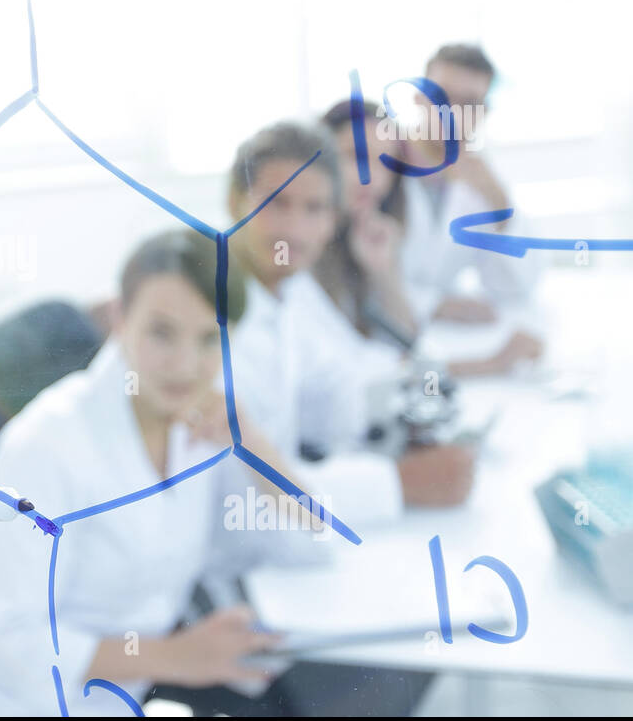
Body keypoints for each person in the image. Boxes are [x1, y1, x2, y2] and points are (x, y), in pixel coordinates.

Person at [0, 229, 328, 717]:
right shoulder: (44, 445)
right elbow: (14, 639)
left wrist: (252, 440)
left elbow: (308, 540)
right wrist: (178, 657)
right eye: (162, 333)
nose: (185, 365)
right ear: (119, 319)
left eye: (210, 338)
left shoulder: (204, 427)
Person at [226, 120, 479, 512]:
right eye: (276, 203)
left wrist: (414, 424)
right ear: (233, 202)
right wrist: (399, 485)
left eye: (314, 209)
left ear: (333, 219)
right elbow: (238, 494)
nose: (294, 229)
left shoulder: (282, 294)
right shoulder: (206, 311)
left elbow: (335, 392)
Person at [318, 98, 544, 377]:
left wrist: (384, 273)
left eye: (384, 162)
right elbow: (356, 376)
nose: (371, 179)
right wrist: (489, 364)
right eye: (356, 157)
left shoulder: (359, 238)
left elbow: (403, 344)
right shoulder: (303, 256)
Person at [395, 44, 543, 328]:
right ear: (418, 98)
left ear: (484, 112)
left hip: (438, 338)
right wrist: (435, 304)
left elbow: (514, 288)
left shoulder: (481, 182)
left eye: (469, 103)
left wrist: (499, 202)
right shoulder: (381, 168)